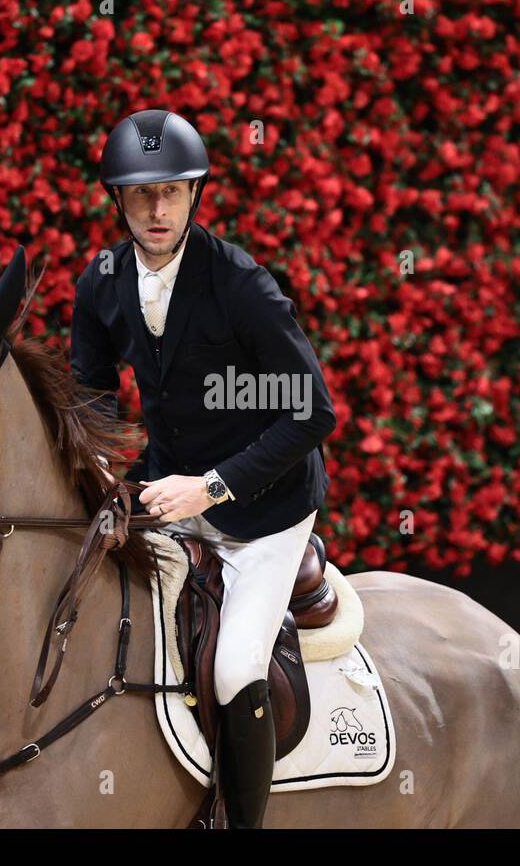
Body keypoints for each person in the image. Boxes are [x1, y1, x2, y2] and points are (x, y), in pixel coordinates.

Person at [69, 109, 336, 827]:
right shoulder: (99, 284)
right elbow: (89, 407)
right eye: (140, 194)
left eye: (173, 193)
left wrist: (212, 487)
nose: (157, 210)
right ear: (117, 200)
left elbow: (313, 414)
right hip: (167, 490)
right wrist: (104, 482)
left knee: (233, 666)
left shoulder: (241, 284)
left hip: (265, 509)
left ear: (196, 193)